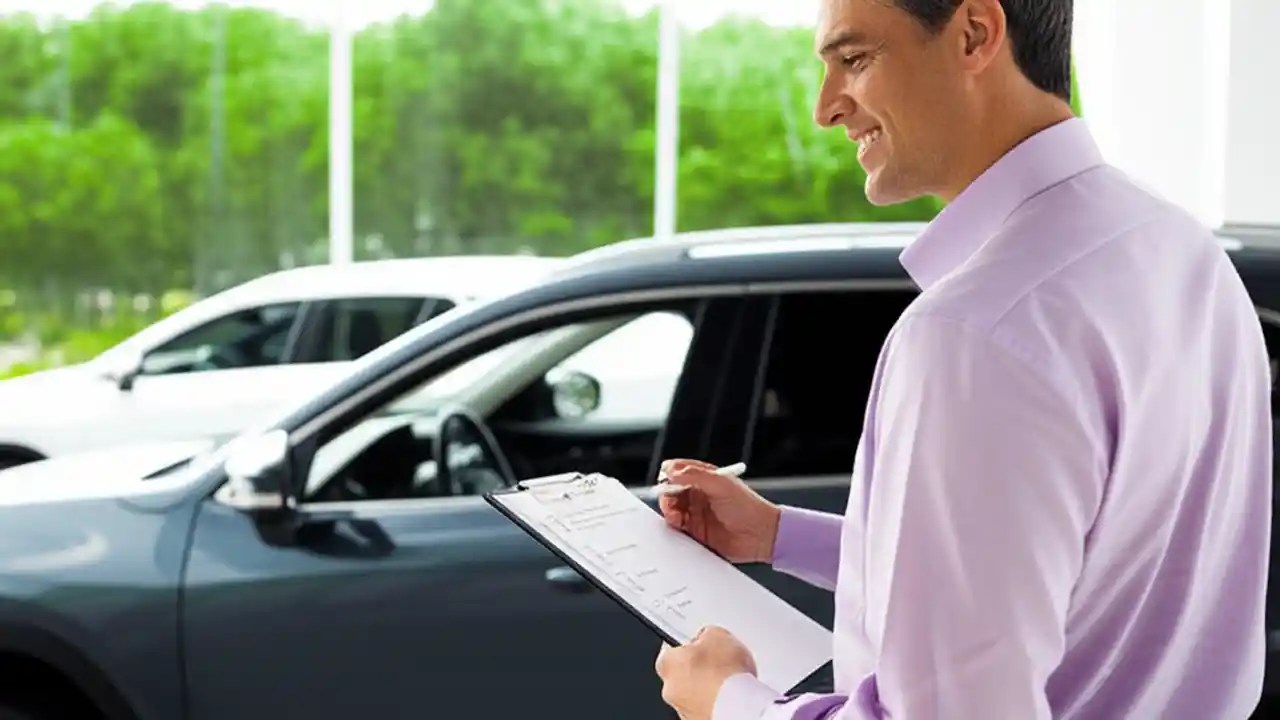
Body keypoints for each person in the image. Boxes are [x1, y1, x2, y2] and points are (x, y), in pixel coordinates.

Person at [652, 0, 1274, 718]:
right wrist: (779, 536)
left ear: (975, 33)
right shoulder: (1179, 250)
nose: (825, 108)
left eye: (854, 60)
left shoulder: (976, 332)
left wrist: (729, 700)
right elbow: (1068, 567)